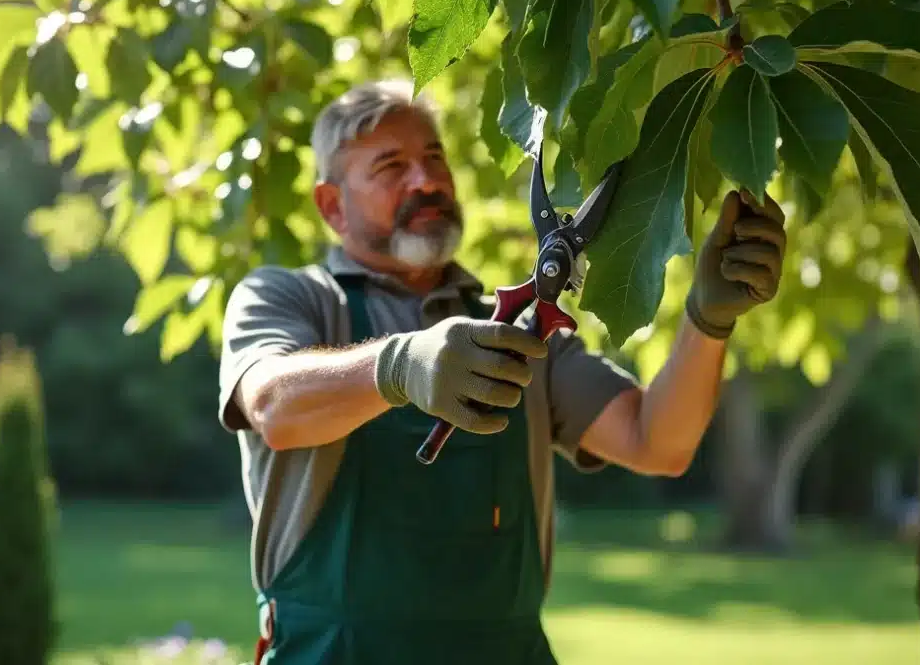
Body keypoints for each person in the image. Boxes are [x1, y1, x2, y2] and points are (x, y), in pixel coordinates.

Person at [218, 80, 787, 665]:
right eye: (391, 167)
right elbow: (273, 406)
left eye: (434, 158)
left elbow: (657, 442)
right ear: (332, 205)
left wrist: (707, 320)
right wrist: (398, 366)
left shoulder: (518, 331)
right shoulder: (290, 299)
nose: (426, 181)